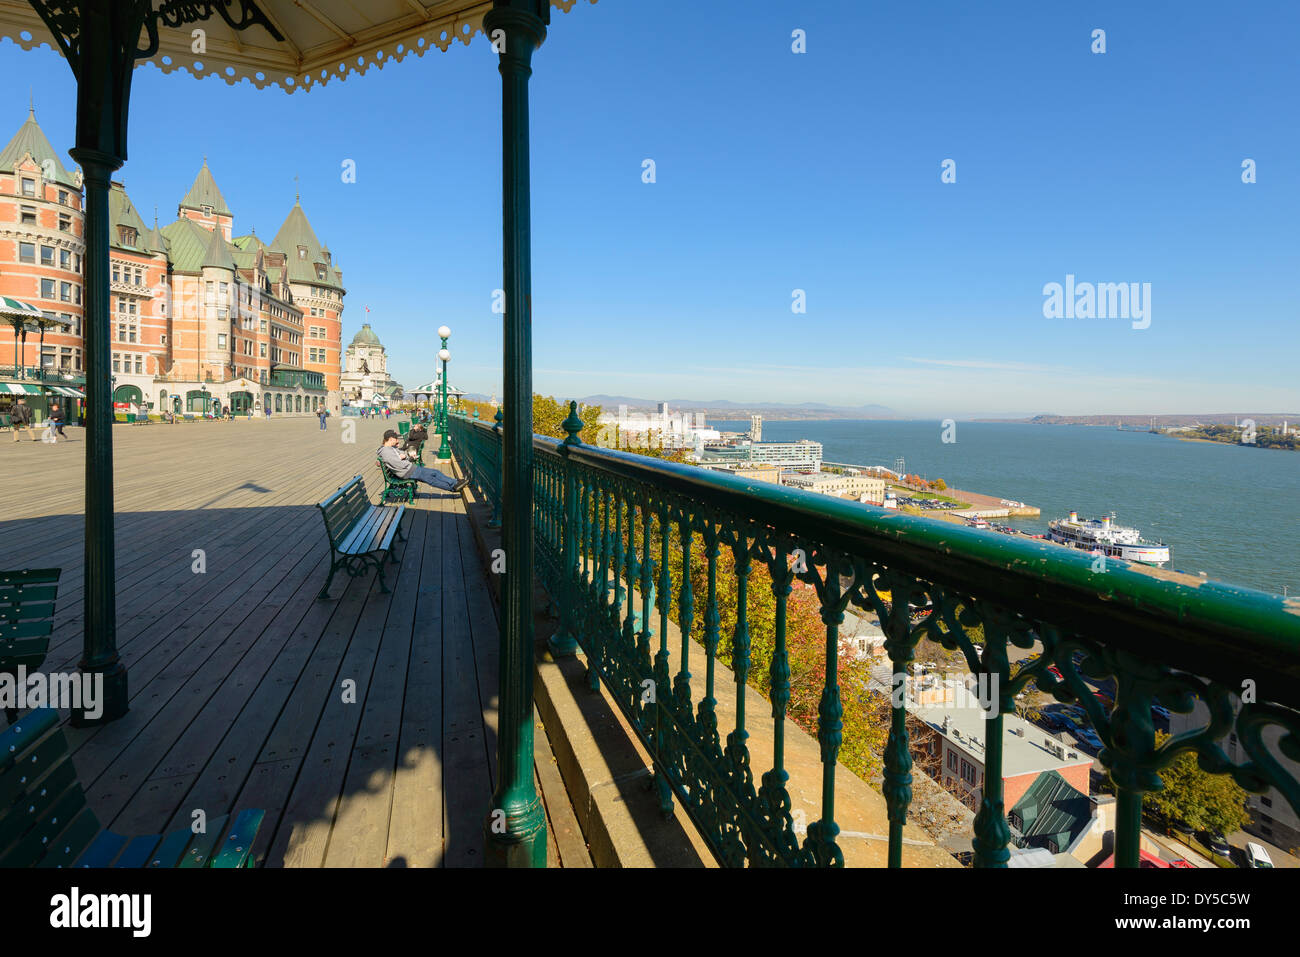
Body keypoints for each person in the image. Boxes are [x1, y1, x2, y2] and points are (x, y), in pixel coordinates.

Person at [378, 430, 466, 493]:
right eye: (396, 439)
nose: (397, 440)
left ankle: (454, 483)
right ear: (390, 439)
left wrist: (407, 456)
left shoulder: (391, 448)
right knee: (431, 479)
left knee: (435, 473)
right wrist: (409, 458)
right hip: (407, 471)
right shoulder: (386, 451)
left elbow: (402, 455)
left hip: (409, 469)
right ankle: (454, 486)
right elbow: (399, 464)